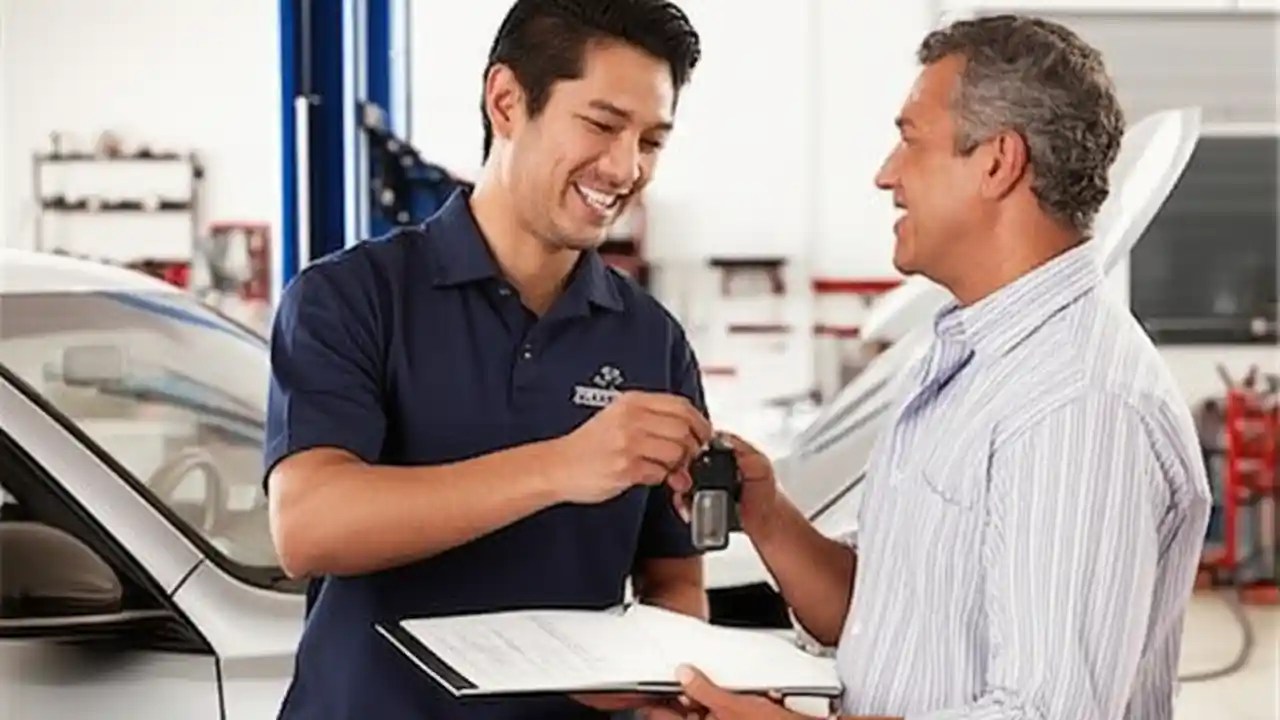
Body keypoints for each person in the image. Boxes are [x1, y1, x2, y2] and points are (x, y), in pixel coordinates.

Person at [655, 14, 1212, 720]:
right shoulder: (964, 359)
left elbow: (1044, 713)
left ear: (997, 162)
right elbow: (879, 620)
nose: (886, 174)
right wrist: (767, 515)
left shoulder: (1077, 404)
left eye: (910, 140)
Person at [263, 2, 712, 718]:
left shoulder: (652, 342)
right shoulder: (350, 297)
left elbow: (673, 576)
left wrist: (666, 689)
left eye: (651, 140)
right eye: (601, 125)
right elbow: (310, 526)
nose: (627, 168)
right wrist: (562, 466)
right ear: (506, 101)